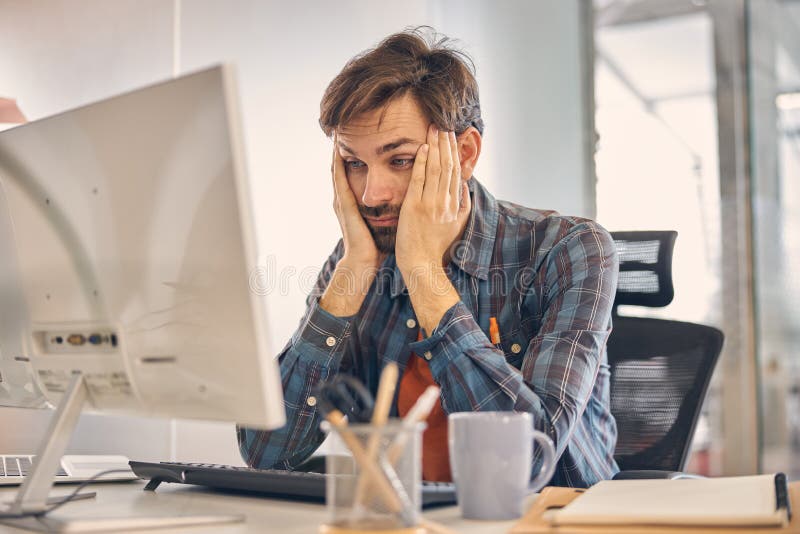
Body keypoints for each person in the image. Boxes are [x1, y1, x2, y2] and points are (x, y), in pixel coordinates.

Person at [238, 27, 619, 487]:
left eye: (399, 160)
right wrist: (352, 272)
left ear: (465, 153)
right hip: (409, 515)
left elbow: (524, 466)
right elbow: (264, 451)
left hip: (554, 514)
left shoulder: (568, 249)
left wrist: (422, 271)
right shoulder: (360, 257)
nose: (372, 194)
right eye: (354, 163)